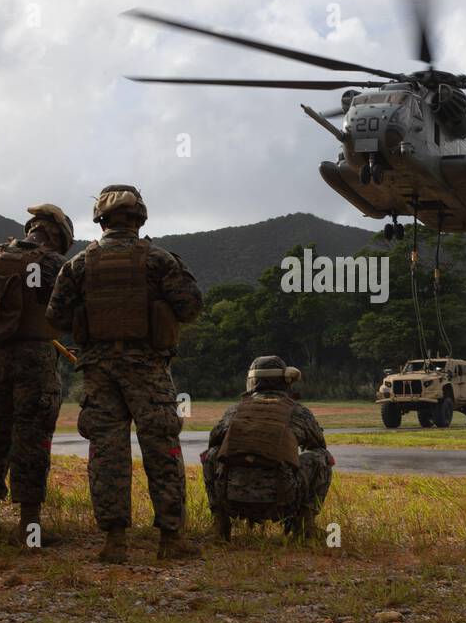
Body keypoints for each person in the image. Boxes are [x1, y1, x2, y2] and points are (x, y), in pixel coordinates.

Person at [46, 185, 203, 563]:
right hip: (148, 369)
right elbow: (190, 307)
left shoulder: (78, 265)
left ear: (100, 220)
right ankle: (171, 539)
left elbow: (56, 317)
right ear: (139, 218)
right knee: (162, 446)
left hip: (99, 372)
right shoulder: (160, 260)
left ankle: (114, 541)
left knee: (106, 452)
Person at [0, 204, 73, 545]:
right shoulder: (54, 263)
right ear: (58, 235)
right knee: (32, 438)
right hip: (36, 359)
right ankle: (29, 525)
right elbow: (67, 311)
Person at [201, 356, 333, 542]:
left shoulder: (235, 411)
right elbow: (318, 443)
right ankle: (305, 526)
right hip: (282, 501)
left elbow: (213, 440)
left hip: (232, 499)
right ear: (284, 381)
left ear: (252, 381)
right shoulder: (298, 411)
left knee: (211, 454)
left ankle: (220, 525)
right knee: (322, 456)